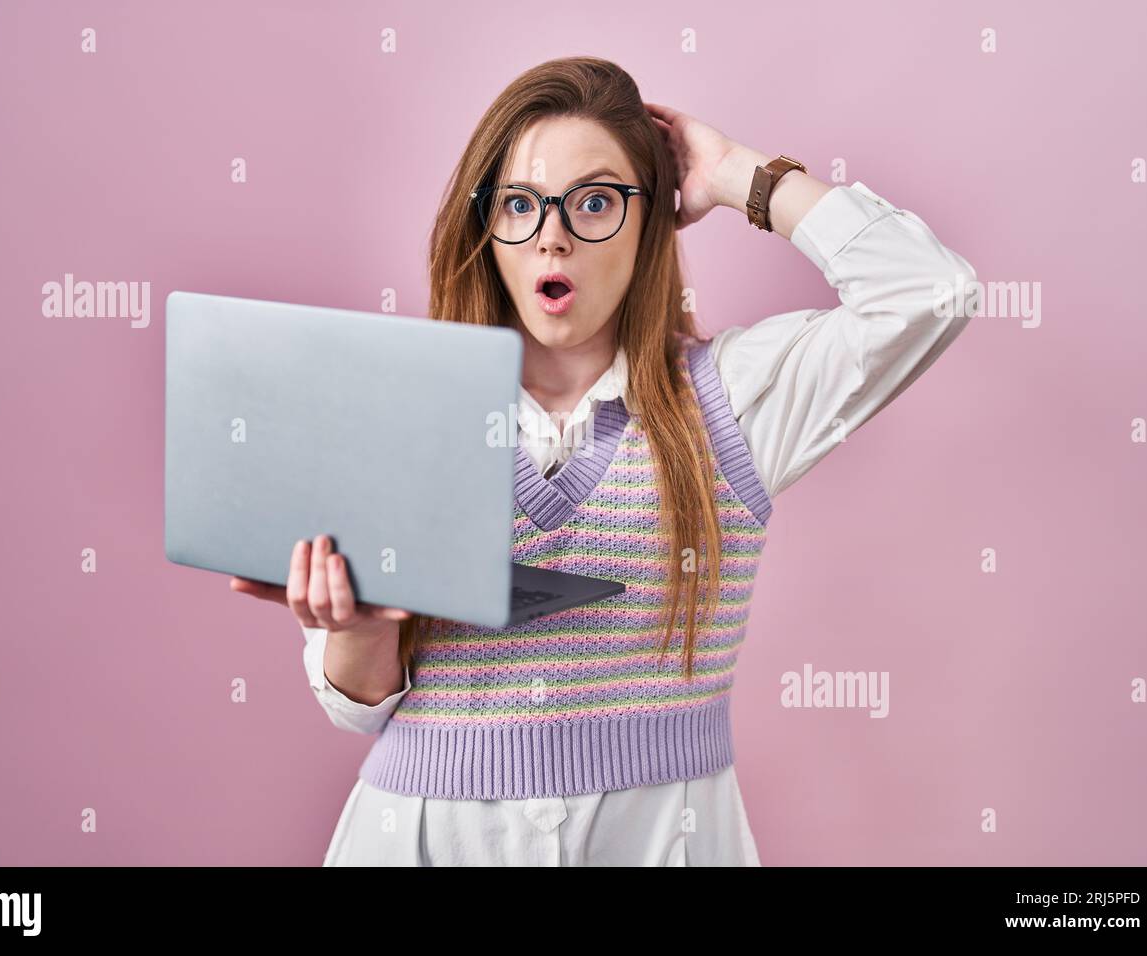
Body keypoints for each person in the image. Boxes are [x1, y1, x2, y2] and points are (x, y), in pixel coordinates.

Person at [231, 56, 980, 866]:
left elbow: (930, 291)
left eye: (594, 201)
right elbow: (360, 705)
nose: (552, 233)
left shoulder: (733, 398)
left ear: (651, 217)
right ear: (486, 228)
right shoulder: (401, 411)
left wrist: (735, 175)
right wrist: (356, 627)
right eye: (520, 203)